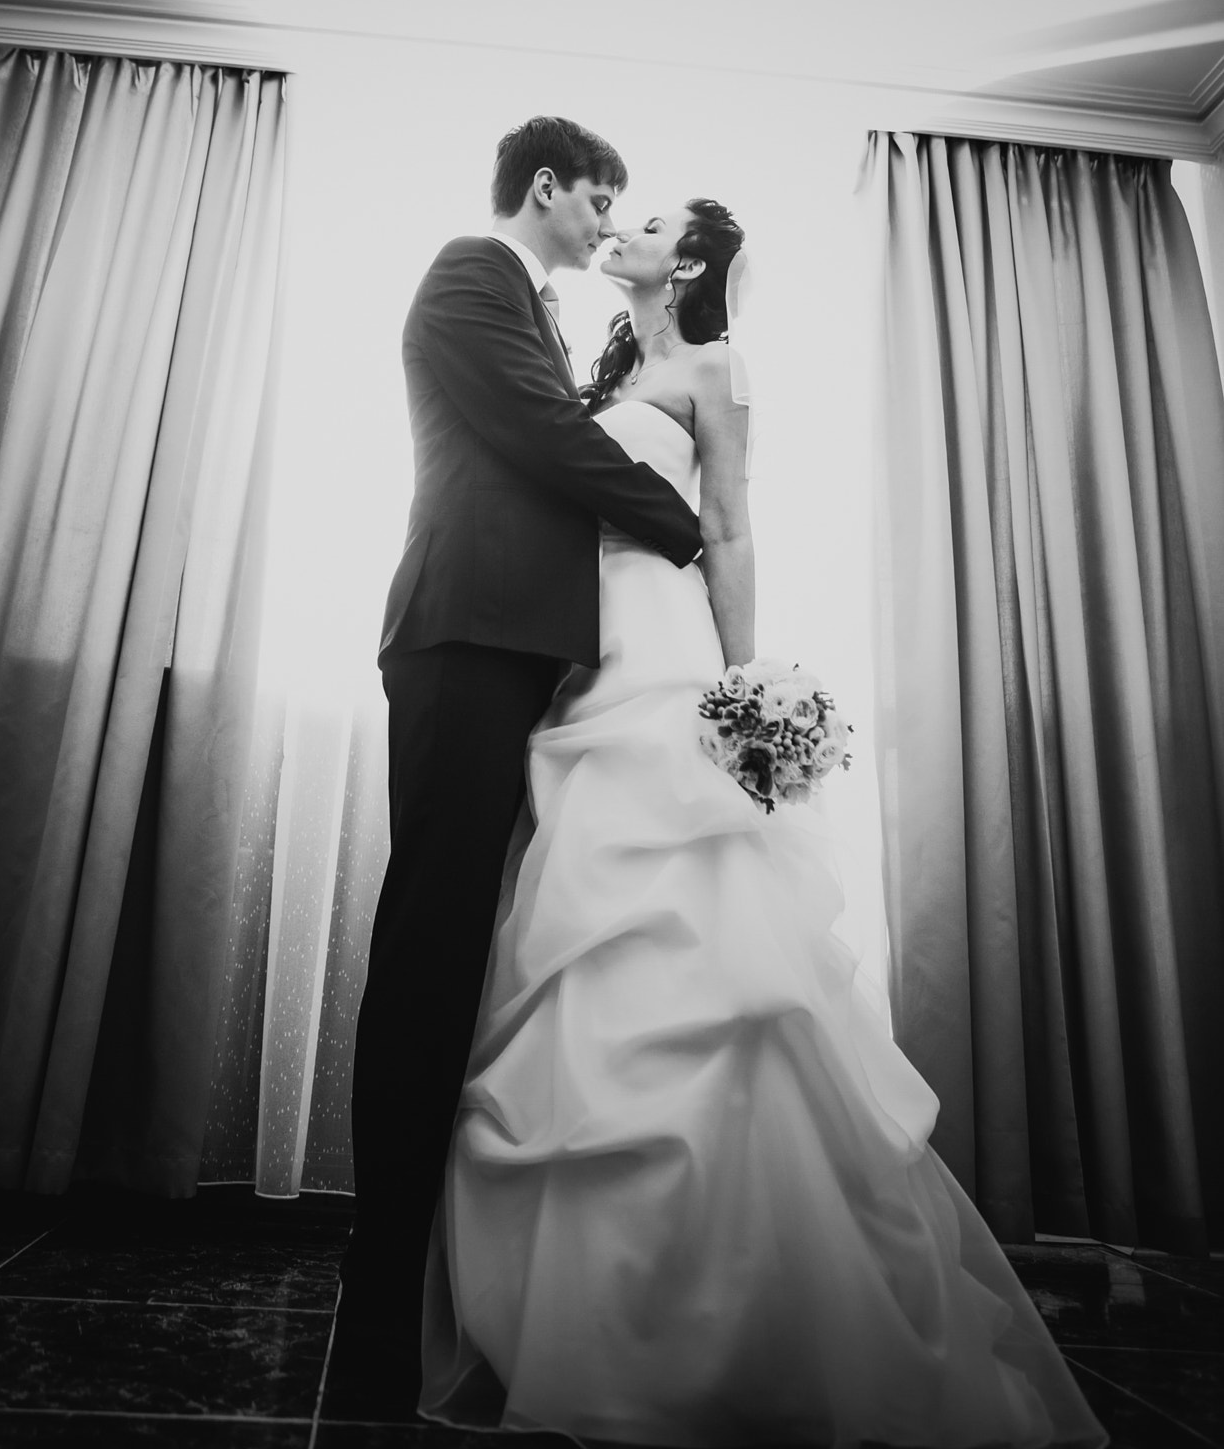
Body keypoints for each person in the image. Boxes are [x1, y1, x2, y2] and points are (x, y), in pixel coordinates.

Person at [418, 198, 1108, 1448]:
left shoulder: (715, 368)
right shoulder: (603, 368)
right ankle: (607, 1288)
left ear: (687, 261)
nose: (618, 225)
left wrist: (745, 691)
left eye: (647, 217)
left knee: (694, 922)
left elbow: (728, 521)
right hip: (579, 655)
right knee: (580, 918)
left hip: (667, 655)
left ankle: (752, 1285)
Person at [325, 119, 705, 1420]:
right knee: (430, 947)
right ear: (542, 187)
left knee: (475, 957)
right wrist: (680, 524)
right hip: (462, 643)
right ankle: (376, 1289)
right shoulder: (469, 274)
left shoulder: (544, 309)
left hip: (520, 660)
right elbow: (542, 435)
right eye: (600, 195)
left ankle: (436, 1261)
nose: (609, 221)